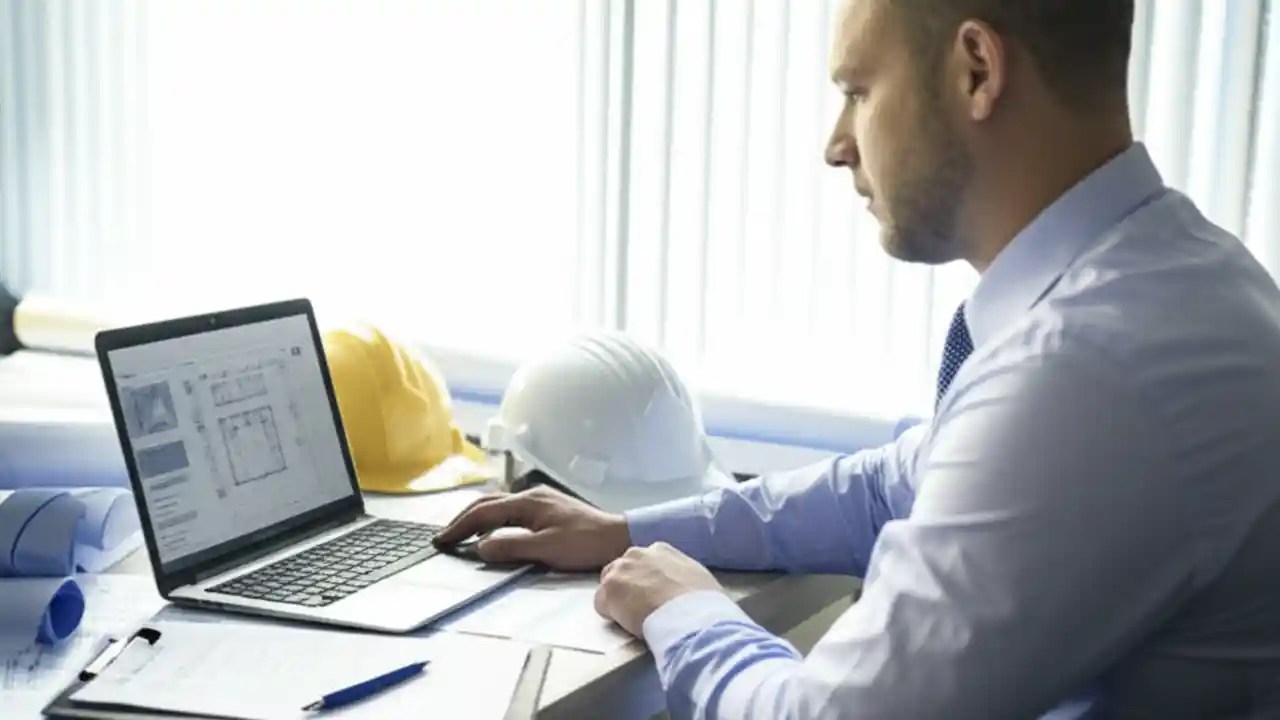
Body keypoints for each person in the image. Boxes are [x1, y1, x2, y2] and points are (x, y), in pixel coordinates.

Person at [436, 0, 1280, 716]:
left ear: (978, 70)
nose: (837, 144)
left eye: (857, 91)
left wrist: (685, 608)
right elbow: (892, 484)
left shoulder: (1089, 370)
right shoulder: (1178, 277)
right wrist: (628, 530)